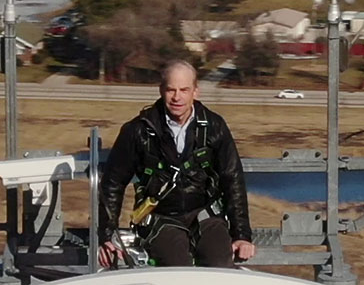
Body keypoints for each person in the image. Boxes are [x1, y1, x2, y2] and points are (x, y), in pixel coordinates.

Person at [100, 58, 255, 268]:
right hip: (161, 218)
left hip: (206, 214)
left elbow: (232, 179)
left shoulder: (214, 126)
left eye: (184, 89)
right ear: (161, 90)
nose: (177, 97)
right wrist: (107, 236)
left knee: (220, 266)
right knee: (176, 269)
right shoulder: (138, 131)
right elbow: (113, 182)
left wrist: (242, 235)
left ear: (195, 91)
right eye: (171, 90)